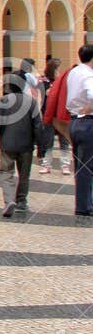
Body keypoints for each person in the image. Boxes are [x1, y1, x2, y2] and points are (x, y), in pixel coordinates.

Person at [0, 71, 38, 219]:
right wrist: (41, 145)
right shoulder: (31, 102)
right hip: (26, 145)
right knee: (24, 174)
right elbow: (37, 125)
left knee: (6, 173)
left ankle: (9, 200)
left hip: (7, 144)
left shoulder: (3, 102)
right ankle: (21, 200)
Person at [65, 44, 93, 219]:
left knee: (82, 165)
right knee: (87, 166)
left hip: (75, 121)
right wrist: (89, 108)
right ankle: (84, 206)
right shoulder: (89, 74)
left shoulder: (74, 72)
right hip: (88, 122)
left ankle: (84, 203)